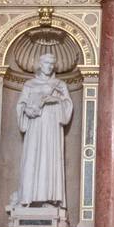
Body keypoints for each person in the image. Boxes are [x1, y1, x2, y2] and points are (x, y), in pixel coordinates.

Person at [16, 52, 73, 209]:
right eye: (47, 63)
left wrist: (57, 100)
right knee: (33, 157)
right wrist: (30, 109)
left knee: (50, 158)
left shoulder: (60, 85)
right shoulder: (30, 84)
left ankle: (50, 198)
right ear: (40, 64)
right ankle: (27, 198)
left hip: (53, 127)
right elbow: (21, 106)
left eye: (52, 63)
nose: (50, 66)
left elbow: (68, 105)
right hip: (35, 126)